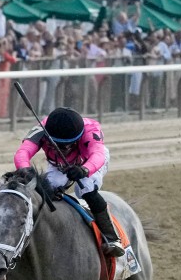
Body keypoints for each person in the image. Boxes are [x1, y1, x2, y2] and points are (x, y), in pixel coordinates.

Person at [14, 107, 124, 257]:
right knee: (46, 192)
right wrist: (26, 171)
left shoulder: (91, 130)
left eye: (67, 144)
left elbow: (98, 155)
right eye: (57, 145)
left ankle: (111, 237)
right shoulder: (40, 130)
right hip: (58, 165)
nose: (62, 148)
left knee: (85, 189)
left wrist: (84, 170)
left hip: (89, 162)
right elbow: (22, 153)